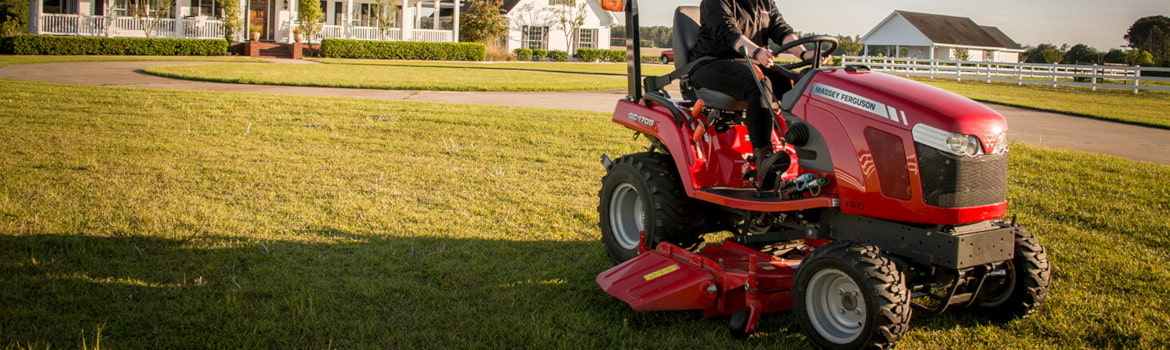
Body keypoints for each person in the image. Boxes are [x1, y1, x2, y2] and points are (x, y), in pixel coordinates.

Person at [688, 0, 824, 191]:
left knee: (794, 82)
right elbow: (729, 33)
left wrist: (803, 54)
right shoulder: (714, 2)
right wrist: (757, 51)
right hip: (711, 63)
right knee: (758, 84)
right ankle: (764, 158)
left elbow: (781, 30)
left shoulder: (764, 2)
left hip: (749, 62)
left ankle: (805, 150)